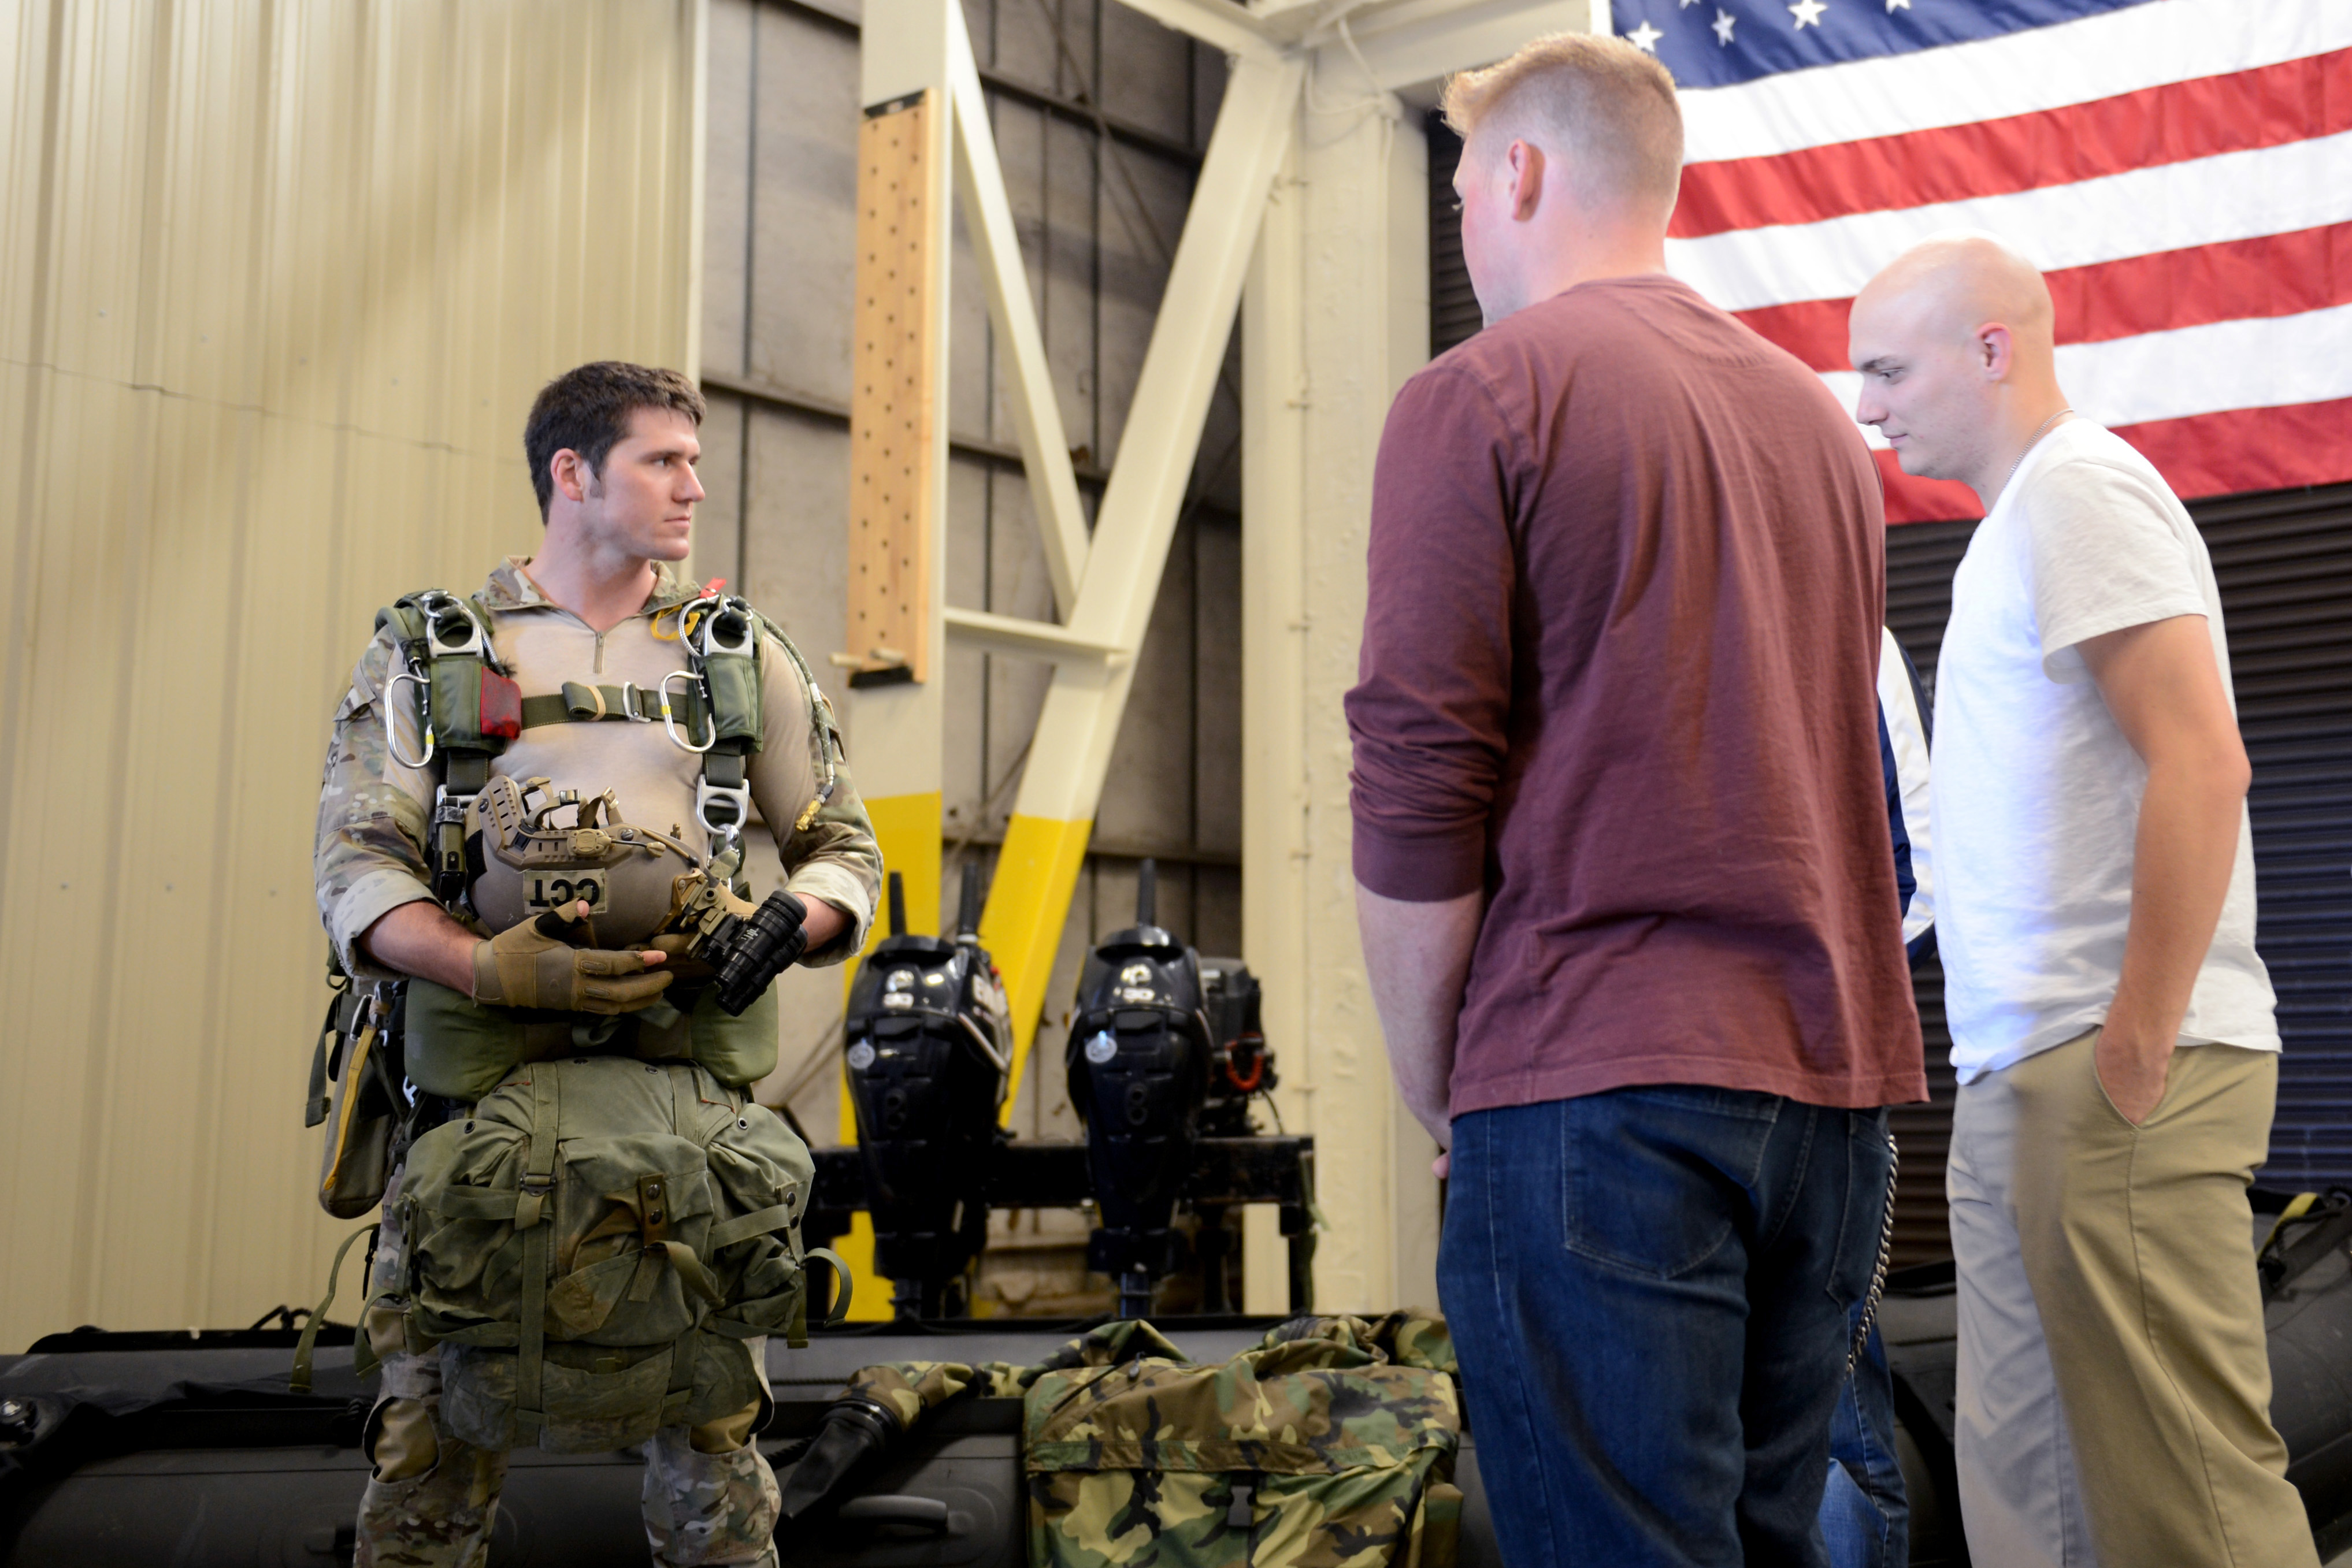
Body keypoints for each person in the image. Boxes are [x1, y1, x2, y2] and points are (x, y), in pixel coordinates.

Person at [1345, 33, 1924, 1568]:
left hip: (1596, 1084)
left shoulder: (1479, 395)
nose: (1467, 225)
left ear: (1519, 172)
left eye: (1466, 187)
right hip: (1831, 1101)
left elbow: (1414, 781)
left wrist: (1437, 1081)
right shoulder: (1820, 434)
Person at [314, 361, 882, 1567]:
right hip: (482, 1128)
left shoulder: (737, 656)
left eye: (694, 457)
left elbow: (845, 851)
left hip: (696, 1153)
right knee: (427, 1484)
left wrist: (792, 924)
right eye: (661, 460)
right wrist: (486, 968)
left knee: (719, 1493)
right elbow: (359, 877)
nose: (695, 485)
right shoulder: (431, 656)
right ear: (572, 474)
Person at [1849, 233, 2318, 1568]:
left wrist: (2136, 1038)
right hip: (2020, 1068)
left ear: (1992, 348)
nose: (1867, 405)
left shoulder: (2082, 496)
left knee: (2187, 1501)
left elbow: (2201, 758)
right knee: (2036, 1496)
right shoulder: (2016, 527)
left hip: (2108, 1069)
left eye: (1887, 367)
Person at [1821, 627, 1936, 1568]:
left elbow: (1917, 878)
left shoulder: (1847, 614)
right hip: (1622, 1101)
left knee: (1829, 1425)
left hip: (1810, 1091)